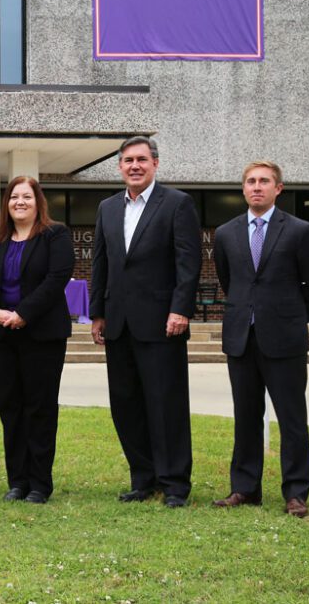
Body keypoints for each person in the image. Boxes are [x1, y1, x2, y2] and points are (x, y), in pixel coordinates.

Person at [90, 136, 201, 508]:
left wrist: (181, 308)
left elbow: (188, 262)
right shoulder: (107, 208)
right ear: (119, 166)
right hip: (118, 323)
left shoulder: (177, 204)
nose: (134, 166)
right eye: (127, 160)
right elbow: (100, 264)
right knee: (126, 404)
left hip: (162, 322)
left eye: (141, 159)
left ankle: (174, 484)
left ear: (155, 163)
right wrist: (97, 313)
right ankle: (143, 478)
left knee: (165, 404)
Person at [213, 161, 309, 518]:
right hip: (241, 338)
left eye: (264, 181)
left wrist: (285, 312)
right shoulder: (226, 233)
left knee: (291, 417)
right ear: (243, 189)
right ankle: (245, 489)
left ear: (278, 188)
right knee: (245, 416)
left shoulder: (298, 230)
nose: (256, 187)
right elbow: (229, 280)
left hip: (284, 338)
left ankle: (296, 492)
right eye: (250, 181)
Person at [0, 176, 75, 504]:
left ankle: (39, 484)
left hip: (42, 334)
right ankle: (17, 481)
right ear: (7, 203)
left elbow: (57, 278)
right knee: (11, 407)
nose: (19, 202)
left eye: (26, 197)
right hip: (3, 335)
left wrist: (24, 313)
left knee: (40, 408)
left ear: (38, 201)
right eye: (14, 197)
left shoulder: (55, 235)